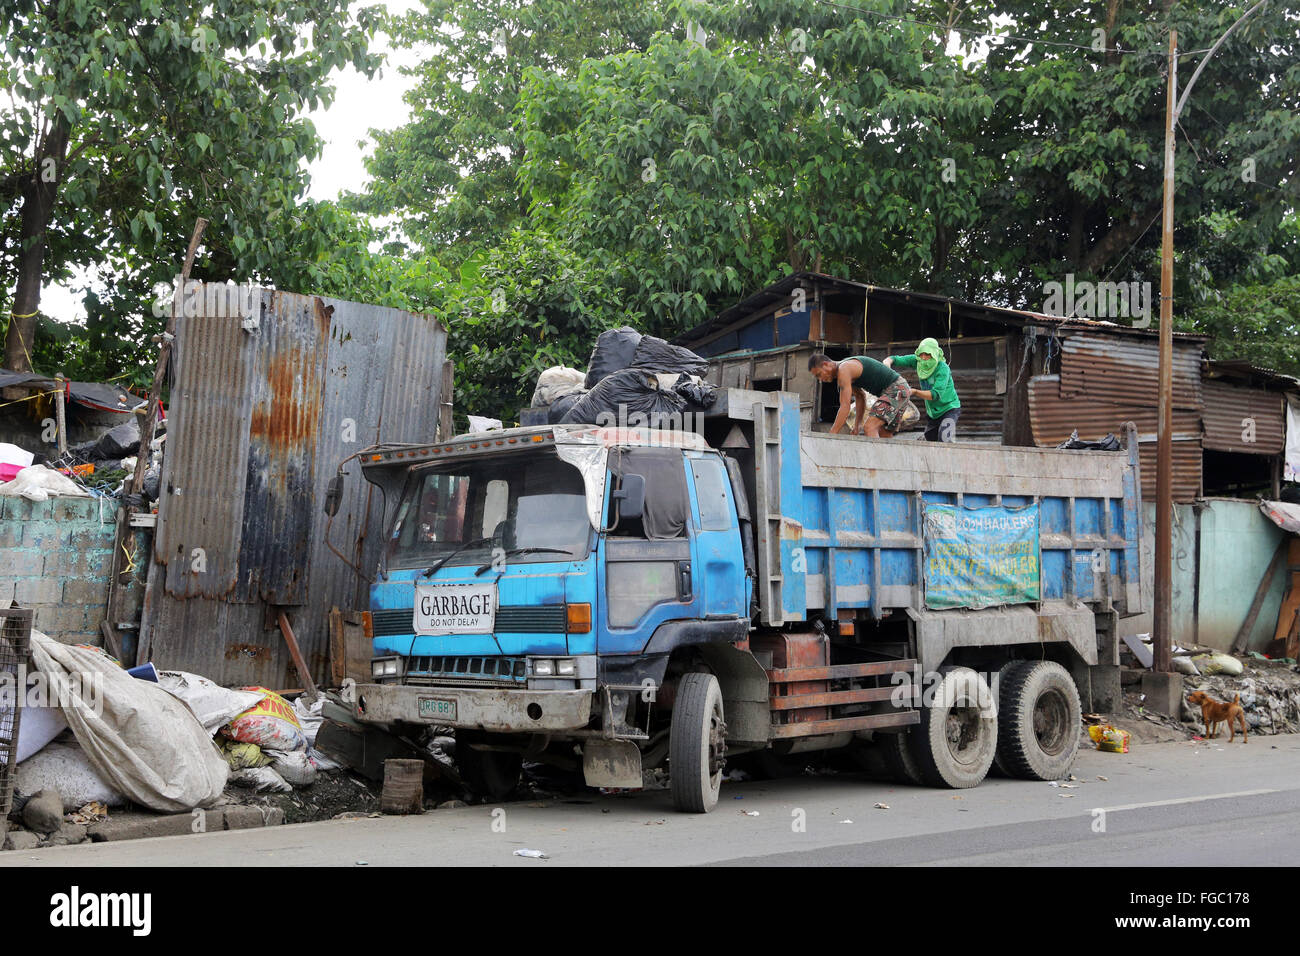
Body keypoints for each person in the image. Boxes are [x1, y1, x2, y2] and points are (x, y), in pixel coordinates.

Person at [808, 352, 910, 437]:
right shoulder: (846, 370)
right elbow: (860, 396)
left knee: (870, 427)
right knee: (884, 433)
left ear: (826, 364)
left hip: (896, 389)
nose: (821, 379)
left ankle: (876, 461)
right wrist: (857, 425)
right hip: (901, 389)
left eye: (819, 374)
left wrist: (832, 434)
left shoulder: (844, 369)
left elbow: (845, 407)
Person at [884, 337, 961, 443]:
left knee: (945, 439)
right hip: (933, 412)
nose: (924, 358)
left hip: (949, 408)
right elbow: (895, 359)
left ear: (934, 354)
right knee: (930, 440)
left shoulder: (942, 368)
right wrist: (887, 362)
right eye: (921, 354)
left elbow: (935, 395)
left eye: (927, 354)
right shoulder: (918, 361)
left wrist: (914, 392)